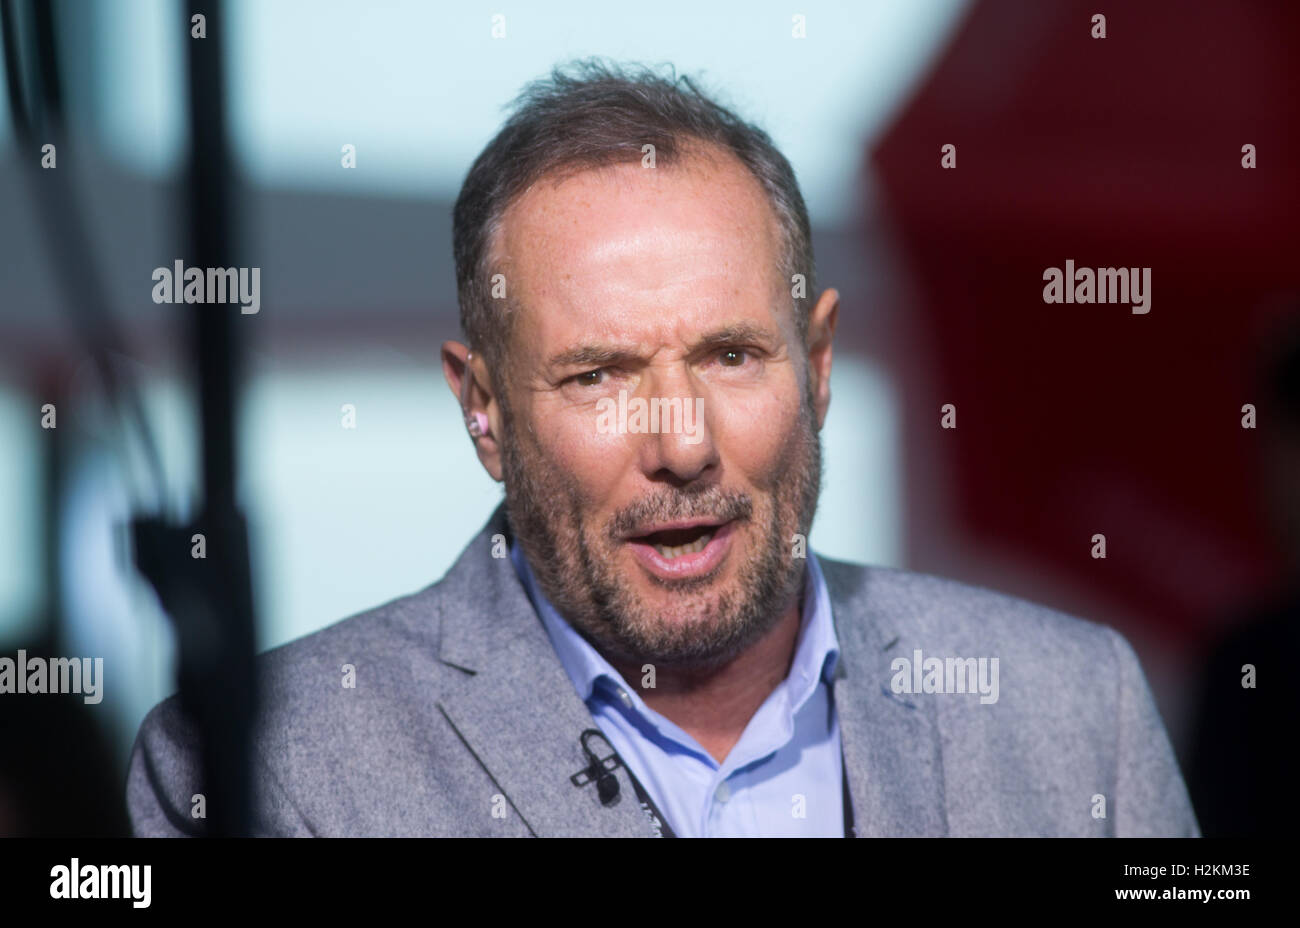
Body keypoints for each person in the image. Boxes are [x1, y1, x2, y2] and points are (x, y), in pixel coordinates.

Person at [126, 59, 1198, 838]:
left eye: (731, 356)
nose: (682, 445)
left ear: (816, 364)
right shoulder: (262, 774)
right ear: (482, 410)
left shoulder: (1070, 705)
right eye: (598, 375)